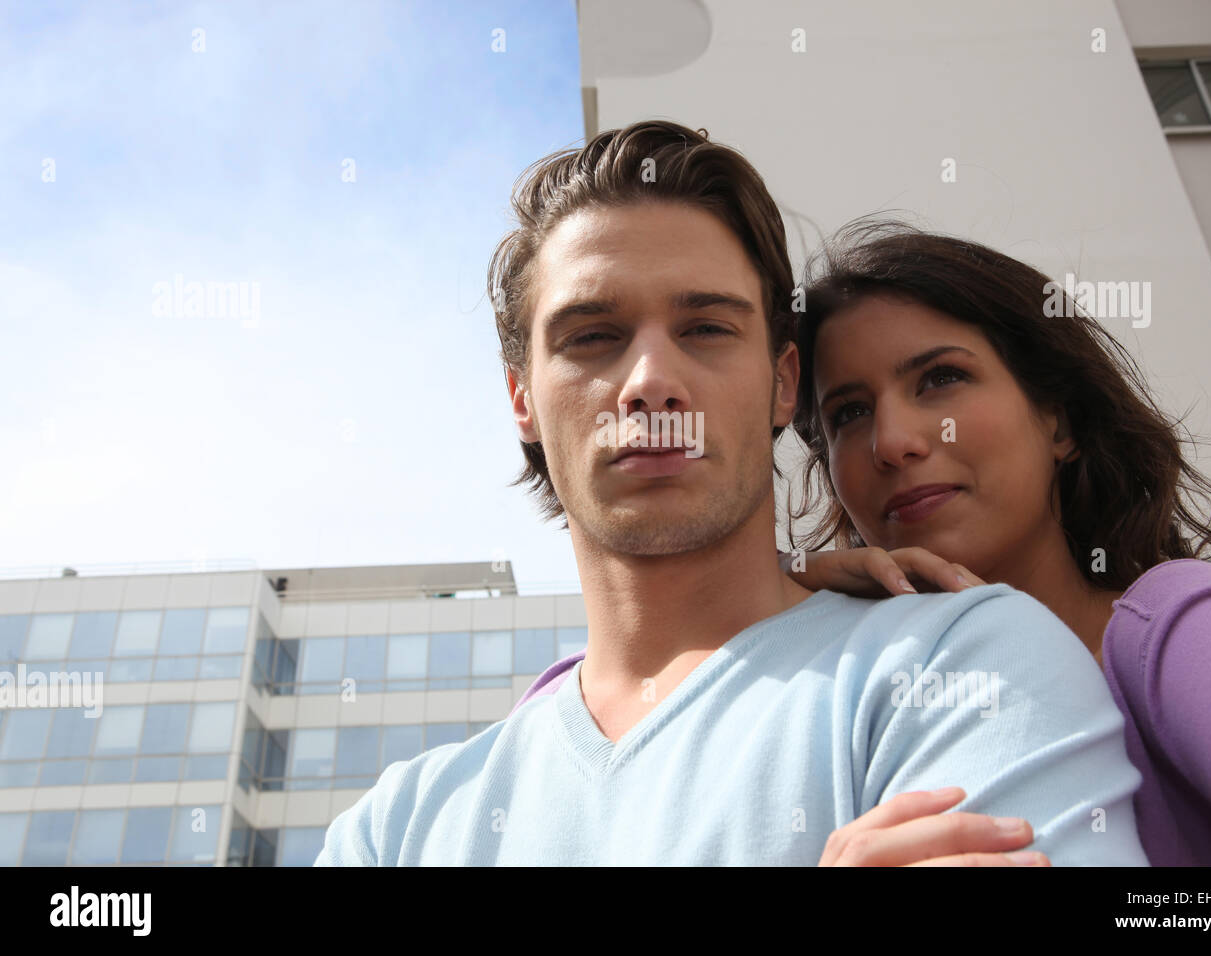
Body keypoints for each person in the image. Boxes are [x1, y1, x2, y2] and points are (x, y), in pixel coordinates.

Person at [316, 123, 1148, 866]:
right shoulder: (394, 830)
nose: (651, 383)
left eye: (707, 327)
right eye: (593, 337)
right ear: (522, 400)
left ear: (784, 383)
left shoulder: (964, 660)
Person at [518, 216, 1211, 866]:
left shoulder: (1189, 631)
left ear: (1057, 418)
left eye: (940, 381)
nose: (893, 441)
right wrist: (784, 599)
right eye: (850, 414)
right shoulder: (856, 673)